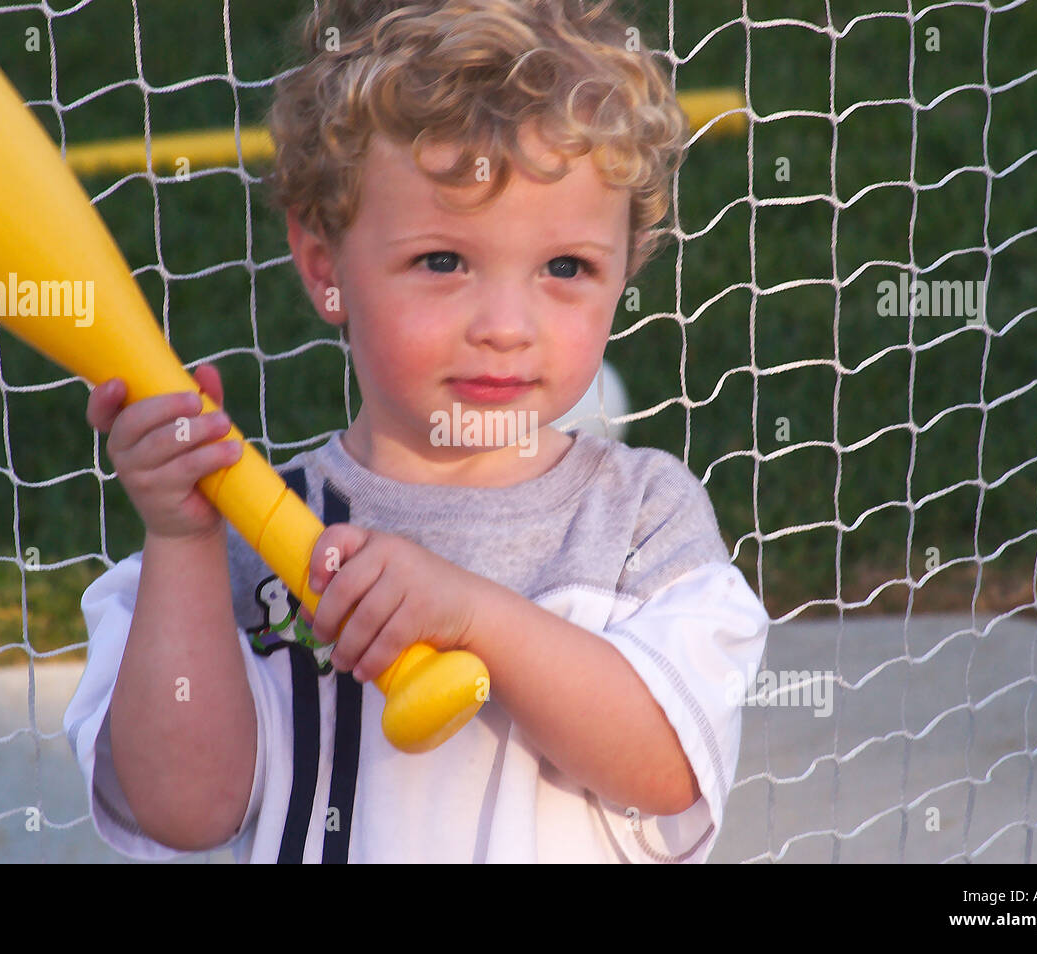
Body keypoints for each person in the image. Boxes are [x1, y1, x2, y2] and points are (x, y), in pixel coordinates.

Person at [64, 0, 769, 863]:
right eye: (444, 261)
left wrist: (474, 615)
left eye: (565, 268)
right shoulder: (253, 538)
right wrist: (180, 538)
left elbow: (665, 769)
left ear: (626, 268)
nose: (506, 325)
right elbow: (187, 809)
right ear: (325, 265)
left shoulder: (639, 522)